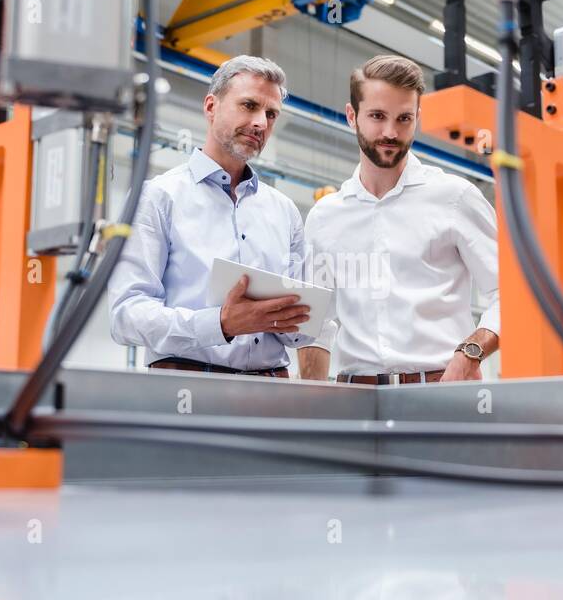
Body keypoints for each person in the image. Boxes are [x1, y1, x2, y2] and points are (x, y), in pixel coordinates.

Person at [300, 54, 500, 384]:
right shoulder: (325, 217)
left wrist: (470, 353)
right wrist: (312, 404)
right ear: (352, 116)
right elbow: (316, 322)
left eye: (404, 118)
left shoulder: (454, 197)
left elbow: (507, 293)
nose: (390, 132)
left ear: (417, 118)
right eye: (377, 116)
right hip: (355, 397)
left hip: (441, 390)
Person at [109, 55, 311, 377]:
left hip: (272, 388)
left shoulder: (285, 211)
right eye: (249, 106)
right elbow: (126, 315)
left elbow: (301, 328)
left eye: (271, 114)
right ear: (210, 107)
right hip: (187, 385)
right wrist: (219, 324)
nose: (261, 123)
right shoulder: (159, 197)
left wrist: (299, 319)